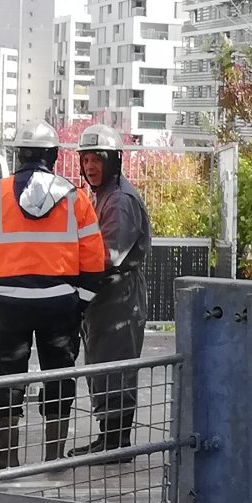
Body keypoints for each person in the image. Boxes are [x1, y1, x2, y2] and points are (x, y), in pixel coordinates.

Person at [0, 121, 106, 469]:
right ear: (54, 156)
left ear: (17, 155)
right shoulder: (75, 197)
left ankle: (8, 457)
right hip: (59, 305)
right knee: (59, 377)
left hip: (7, 305)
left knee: (8, 378)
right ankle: (53, 458)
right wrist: (80, 302)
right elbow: (94, 258)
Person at [75, 124, 152, 454]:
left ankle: (115, 442)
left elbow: (109, 255)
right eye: (86, 159)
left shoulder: (119, 200)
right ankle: (108, 438)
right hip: (105, 294)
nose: (91, 166)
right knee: (101, 366)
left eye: (97, 159)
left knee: (114, 366)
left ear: (114, 161)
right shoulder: (103, 195)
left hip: (119, 294)